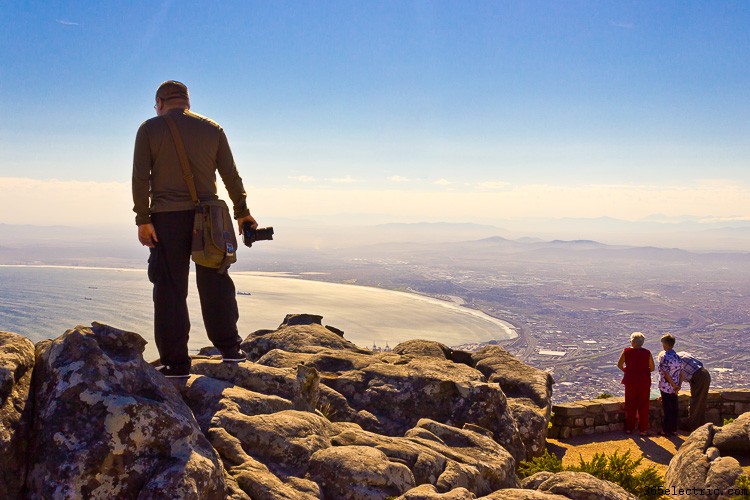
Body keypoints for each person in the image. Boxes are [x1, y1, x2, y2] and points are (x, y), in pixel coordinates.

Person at [132, 80, 258, 378]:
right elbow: (231, 176)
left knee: (170, 289)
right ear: (187, 101)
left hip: (167, 219)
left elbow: (140, 179)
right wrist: (243, 214)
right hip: (209, 218)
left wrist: (142, 219)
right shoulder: (213, 129)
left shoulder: (149, 129)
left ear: (160, 103)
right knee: (215, 280)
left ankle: (176, 364)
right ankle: (230, 350)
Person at [617, 332, 655, 436]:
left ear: (633, 342)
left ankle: (629, 428)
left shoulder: (627, 351)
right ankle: (643, 429)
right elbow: (652, 368)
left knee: (630, 404)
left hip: (630, 380)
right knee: (643, 404)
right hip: (644, 381)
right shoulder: (647, 353)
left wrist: (627, 371)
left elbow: (619, 364)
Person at [677, 350, 711, 430]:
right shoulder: (682, 353)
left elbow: (679, 376)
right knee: (700, 401)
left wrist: (677, 387)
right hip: (703, 373)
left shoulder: (674, 361)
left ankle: (693, 426)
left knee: (696, 401)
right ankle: (700, 424)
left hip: (697, 376)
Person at [657, 333, 682, 436]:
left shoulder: (665, 357)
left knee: (667, 408)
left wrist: (672, 384)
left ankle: (666, 430)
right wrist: (677, 385)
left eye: (663, 343)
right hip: (675, 386)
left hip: (666, 386)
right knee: (674, 408)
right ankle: (674, 429)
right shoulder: (677, 357)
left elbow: (665, 373)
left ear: (666, 344)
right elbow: (681, 372)